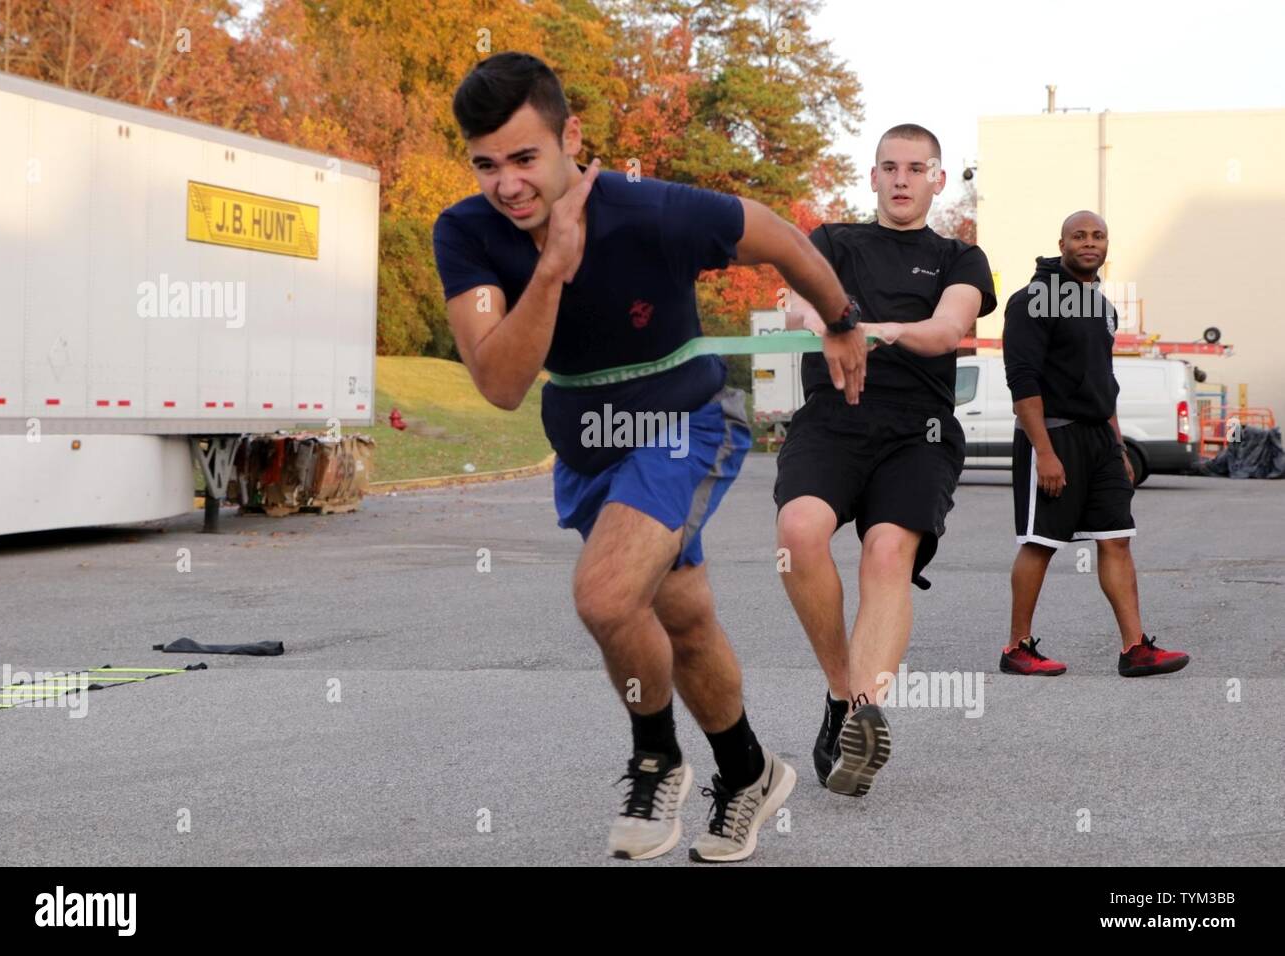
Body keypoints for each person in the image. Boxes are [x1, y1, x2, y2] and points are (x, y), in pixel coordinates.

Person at [433, 52, 868, 862]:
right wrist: (553, 270)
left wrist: (840, 317)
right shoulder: (465, 231)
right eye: (486, 165)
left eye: (526, 158)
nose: (508, 185)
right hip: (588, 444)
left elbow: (775, 233)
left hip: (689, 422)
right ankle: (748, 774)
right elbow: (498, 380)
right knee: (683, 619)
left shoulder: (651, 210)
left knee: (604, 597)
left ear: (572, 139)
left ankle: (656, 756)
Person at [775, 124, 995, 797]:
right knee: (798, 533)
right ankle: (844, 696)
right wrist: (829, 323)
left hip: (918, 430)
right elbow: (793, 309)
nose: (901, 179)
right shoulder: (833, 241)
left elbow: (945, 331)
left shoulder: (961, 258)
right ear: (872, 177)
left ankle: (861, 716)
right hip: (834, 417)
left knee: (886, 553)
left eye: (916, 168)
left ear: (937, 179)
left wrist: (862, 330)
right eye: (889, 167)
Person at [999, 210, 1190, 678]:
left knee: (1116, 538)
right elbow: (1021, 381)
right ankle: (1017, 648)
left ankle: (1134, 649)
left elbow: (1105, 380)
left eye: (1098, 235)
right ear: (1061, 243)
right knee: (1041, 542)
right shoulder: (1030, 301)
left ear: (1107, 244)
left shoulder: (1103, 306)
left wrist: (1118, 445)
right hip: (1054, 435)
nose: (1089, 242)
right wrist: (1044, 451)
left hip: (1100, 439)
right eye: (1079, 236)